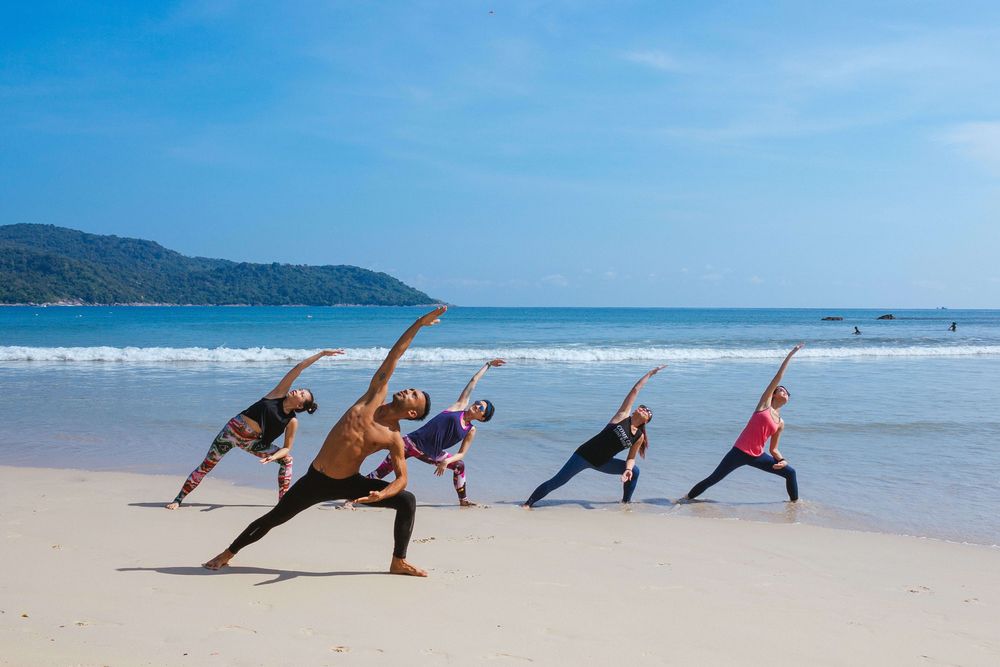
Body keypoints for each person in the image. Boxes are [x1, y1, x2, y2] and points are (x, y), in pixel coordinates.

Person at [202, 306, 447, 577]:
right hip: (316, 480)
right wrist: (418, 324)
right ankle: (228, 553)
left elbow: (402, 478)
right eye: (412, 389)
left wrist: (384, 493)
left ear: (413, 412)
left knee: (407, 500)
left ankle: (398, 561)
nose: (408, 390)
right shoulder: (374, 395)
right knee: (275, 518)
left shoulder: (393, 437)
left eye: (413, 395)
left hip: (351, 483)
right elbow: (396, 353)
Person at [166, 350, 344, 509]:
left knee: (287, 460)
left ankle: (283, 503)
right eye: (300, 389)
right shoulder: (278, 394)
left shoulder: (291, 421)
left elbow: (287, 448)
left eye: (301, 394)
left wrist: (274, 456)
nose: (297, 390)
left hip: (252, 443)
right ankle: (178, 499)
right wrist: (321, 354)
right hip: (230, 432)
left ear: (300, 405)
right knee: (206, 466)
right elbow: (298, 368)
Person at [364, 359, 506, 506]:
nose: (476, 406)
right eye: (477, 403)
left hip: (431, 453)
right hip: (410, 443)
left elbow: (461, 453)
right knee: (381, 472)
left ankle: (463, 501)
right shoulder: (459, 406)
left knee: (459, 465)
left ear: (482, 418)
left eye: (480, 408)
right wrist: (488, 365)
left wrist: (446, 461)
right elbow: (473, 381)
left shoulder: (471, 430)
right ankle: (353, 495)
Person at [522, 366, 665, 508]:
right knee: (557, 481)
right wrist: (650, 373)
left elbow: (631, 458)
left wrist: (627, 469)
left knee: (635, 471)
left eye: (647, 411)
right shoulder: (622, 416)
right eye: (642, 407)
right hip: (583, 456)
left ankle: (625, 503)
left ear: (646, 420)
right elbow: (635, 390)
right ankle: (528, 504)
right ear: (635, 410)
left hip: (603, 462)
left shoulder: (639, 437)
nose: (643, 409)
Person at [685, 343, 803, 503]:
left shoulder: (781, 423)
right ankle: (685, 499)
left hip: (758, 456)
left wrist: (782, 460)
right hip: (738, 452)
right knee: (713, 478)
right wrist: (791, 354)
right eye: (781, 390)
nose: (784, 392)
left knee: (790, 473)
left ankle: (795, 505)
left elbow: (774, 449)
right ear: (773, 395)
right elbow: (777, 377)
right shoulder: (764, 405)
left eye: (787, 392)